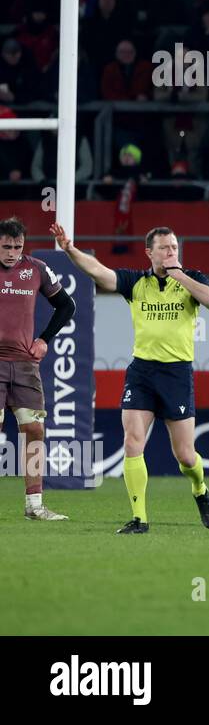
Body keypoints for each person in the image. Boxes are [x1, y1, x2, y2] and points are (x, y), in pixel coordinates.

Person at [50, 223, 209, 534]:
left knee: (184, 455)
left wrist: (178, 274)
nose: (171, 252)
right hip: (142, 372)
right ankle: (140, 519)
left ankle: (199, 488)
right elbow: (101, 273)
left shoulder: (192, 278)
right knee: (132, 442)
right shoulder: (136, 282)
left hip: (176, 373)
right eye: (165, 248)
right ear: (149, 252)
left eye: (174, 247)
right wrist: (71, 250)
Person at [0, 218, 76, 520]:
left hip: (24, 363)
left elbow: (67, 305)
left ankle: (34, 506)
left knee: (34, 429)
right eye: (6, 246)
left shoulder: (36, 269)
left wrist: (44, 339)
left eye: (17, 247)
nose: (12, 253)